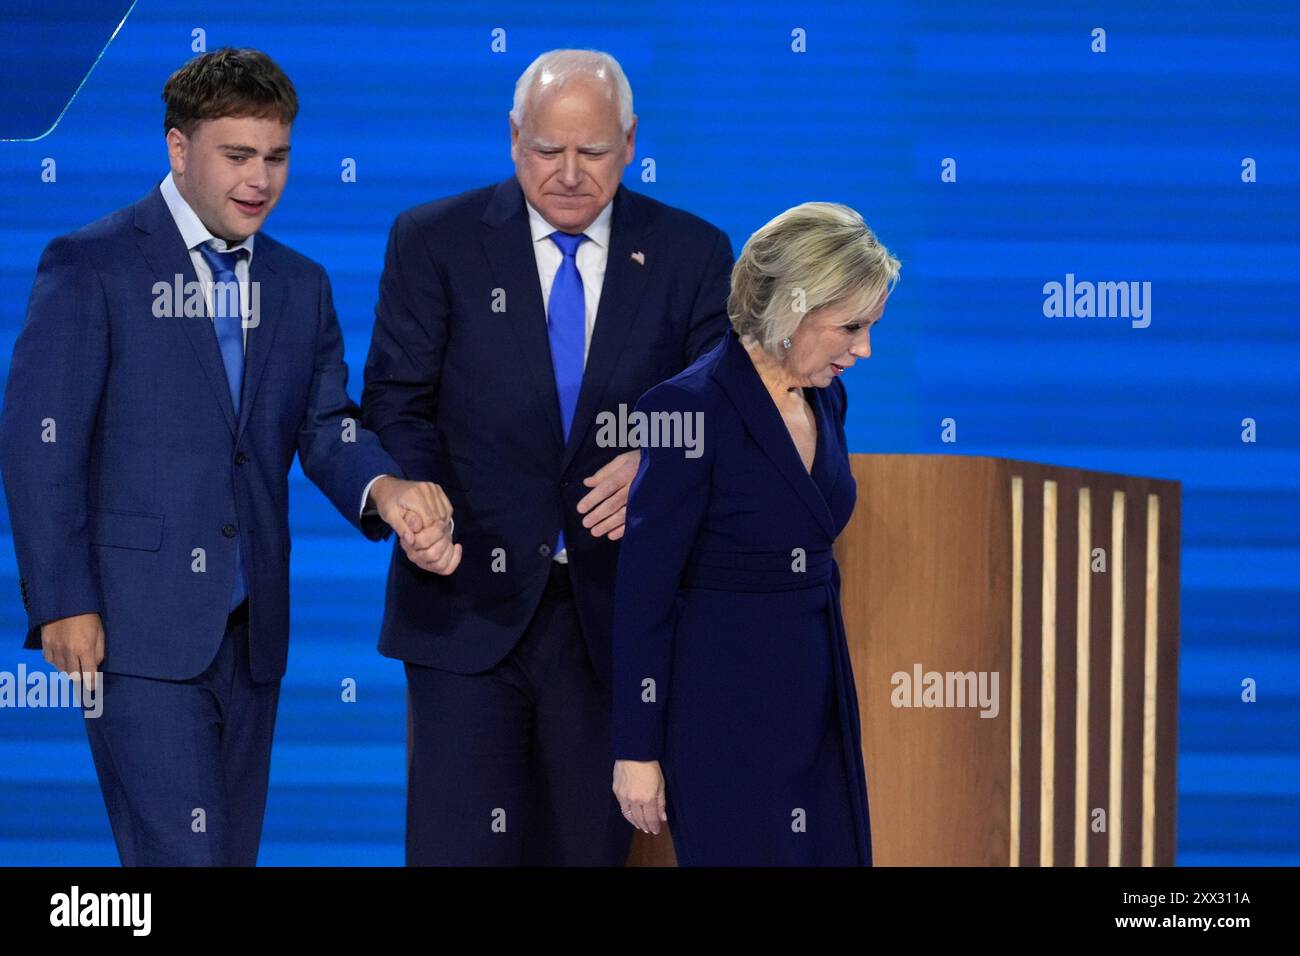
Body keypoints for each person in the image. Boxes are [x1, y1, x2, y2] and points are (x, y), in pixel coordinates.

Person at [0, 48, 449, 866]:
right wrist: (61, 599)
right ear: (179, 149)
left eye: (275, 157)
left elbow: (323, 425)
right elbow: (39, 442)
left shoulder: (300, 284)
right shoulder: (91, 263)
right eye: (237, 155)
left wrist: (385, 486)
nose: (260, 179)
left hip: (252, 634)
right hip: (133, 632)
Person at [361, 48, 734, 865]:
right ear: (511, 138)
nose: (569, 173)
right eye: (546, 150)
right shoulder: (434, 241)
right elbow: (396, 400)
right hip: (462, 609)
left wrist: (656, 454)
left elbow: (724, 413)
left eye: (593, 152)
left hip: (613, 621)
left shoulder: (693, 254)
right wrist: (422, 498)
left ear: (631, 142)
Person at [610, 201, 900, 865]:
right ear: (792, 310)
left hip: (817, 700)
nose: (864, 350)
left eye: (872, 327)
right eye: (851, 327)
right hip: (721, 715)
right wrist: (637, 750)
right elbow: (644, 596)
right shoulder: (685, 407)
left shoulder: (827, 395)